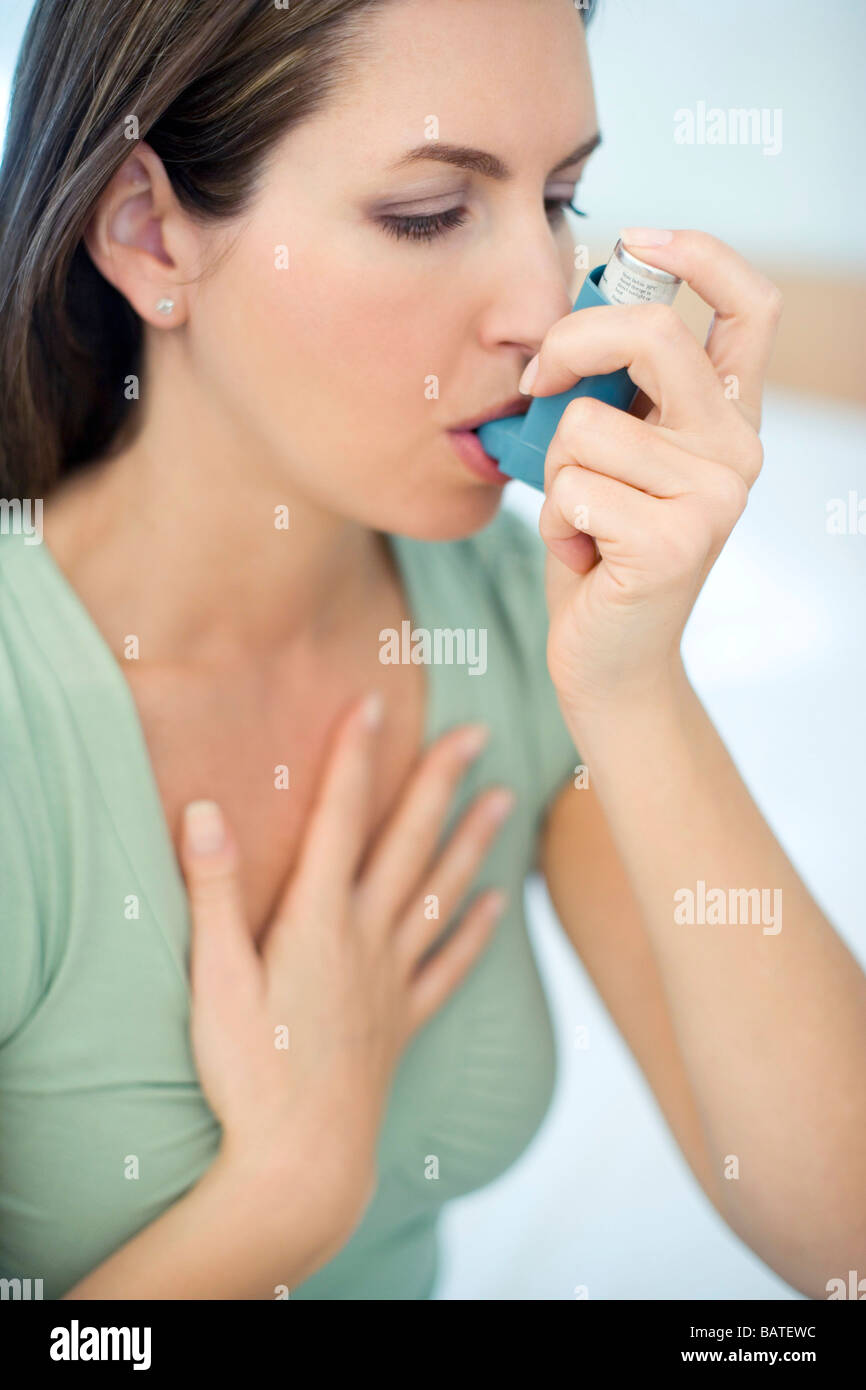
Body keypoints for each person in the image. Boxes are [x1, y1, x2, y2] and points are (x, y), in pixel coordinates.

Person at [0, 0, 863, 1302]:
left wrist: (633, 683)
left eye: (561, 196)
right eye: (425, 214)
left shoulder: (515, 615)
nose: (541, 309)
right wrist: (288, 1189)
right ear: (150, 230)